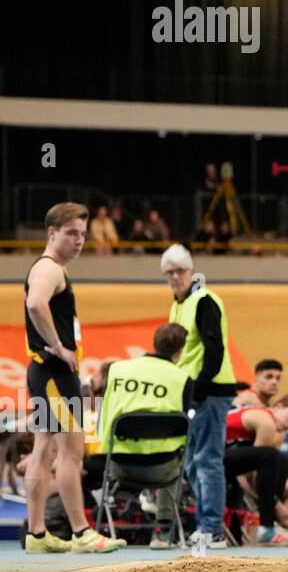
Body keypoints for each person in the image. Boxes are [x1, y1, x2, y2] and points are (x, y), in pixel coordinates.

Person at [23, 202, 124, 553]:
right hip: (55, 373)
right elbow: (36, 304)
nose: (79, 241)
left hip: (42, 372)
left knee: (44, 449)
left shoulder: (47, 268)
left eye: (83, 234)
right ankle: (82, 533)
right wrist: (59, 347)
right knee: (70, 452)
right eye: (72, 234)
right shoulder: (50, 269)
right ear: (52, 233)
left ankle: (37, 535)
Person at [162, 243, 238, 551]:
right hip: (190, 392)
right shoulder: (177, 306)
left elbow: (214, 349)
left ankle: (212, 528)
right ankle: (206, 525)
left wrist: (202, 388)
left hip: (211, 390)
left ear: (191, 271)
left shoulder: (205, 301)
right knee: (193, 462)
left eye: (180, 271)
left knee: (208, 460)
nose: (175, 277)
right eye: (170, 273)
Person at [98, 323, 193, 549]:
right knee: (179, 456)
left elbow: (104, 411)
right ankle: (162, 529)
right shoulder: (183, 379)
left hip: (118, 466)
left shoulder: (117, 370)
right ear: (180, 351)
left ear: (154, 343)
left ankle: (105, 525)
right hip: (162, 470)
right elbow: (183, 425)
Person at [223, 399, 288, 545]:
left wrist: (273, 502)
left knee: (281, 459)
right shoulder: (266, 422)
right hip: (207, 458)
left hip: (223, 456)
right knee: (271, 456)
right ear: (279, 406)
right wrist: (276, 504)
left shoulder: (263, 418)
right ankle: (267, 527)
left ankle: (272, 525)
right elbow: (246, 478)